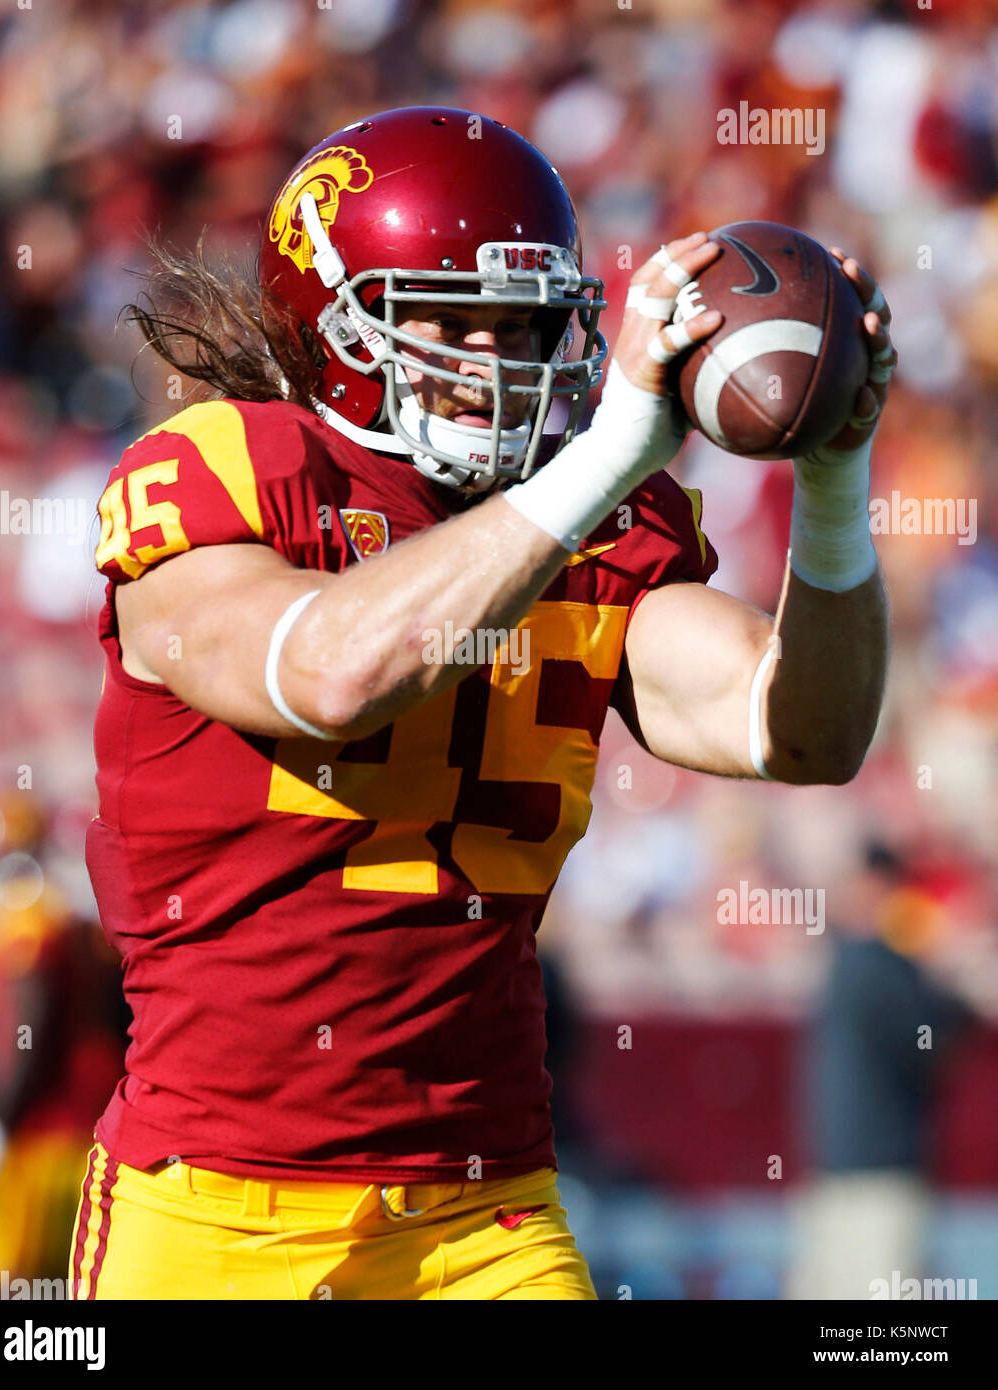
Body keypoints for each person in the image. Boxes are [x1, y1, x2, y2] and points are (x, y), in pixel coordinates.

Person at [69, 105, 895, 1301]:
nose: (499, 359)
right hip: (207, 1207)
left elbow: (802, 729)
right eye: (452, 322)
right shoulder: (228, 469)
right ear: (340, 326)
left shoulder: (606, 526)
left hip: (481, 1212)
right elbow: (333, 675)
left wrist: (833, 483)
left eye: (524, 322)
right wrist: (604, 457)